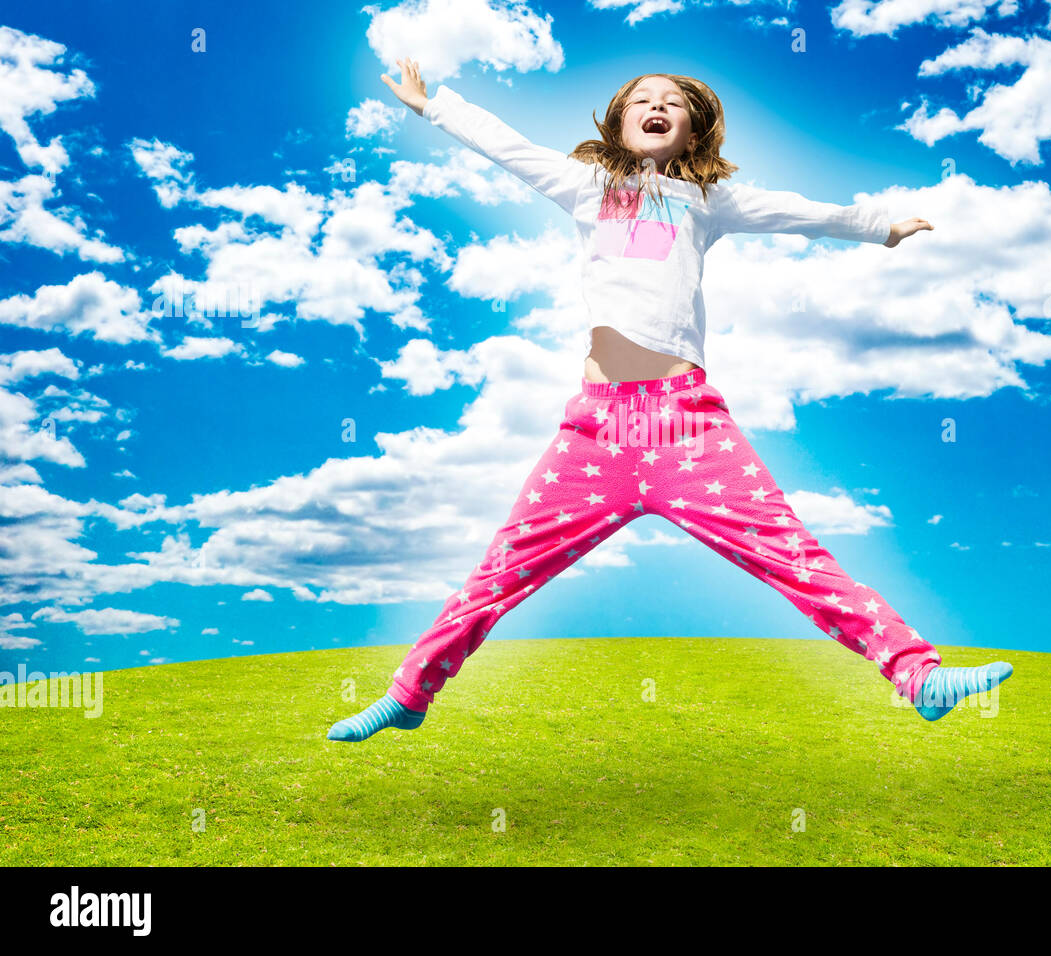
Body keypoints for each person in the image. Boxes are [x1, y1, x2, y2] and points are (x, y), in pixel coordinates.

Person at [327, 62, 1012, 742]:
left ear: (692, 133)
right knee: (501, 569)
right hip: (596, 431)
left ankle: (918, 675)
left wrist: (879, 227)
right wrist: (428, 104)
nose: (658, 106)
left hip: (686, 424)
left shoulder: (706, 200)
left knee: (792, 553)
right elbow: (504, 144)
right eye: (643, 100)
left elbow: (798, 212)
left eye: (675, 103)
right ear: (620, 122)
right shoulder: (584, 185)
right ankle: (410, 693)